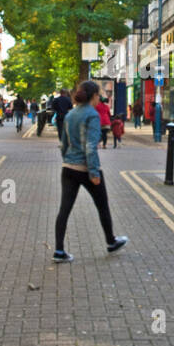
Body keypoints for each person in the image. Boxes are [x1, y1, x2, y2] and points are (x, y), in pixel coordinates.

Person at [53, 80, 128, 263]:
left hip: (68, 168)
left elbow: (64, 143)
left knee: (64, 209)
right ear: (93, 96)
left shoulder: (71, 114)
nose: (99, 98)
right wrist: (93, 173)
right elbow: (90, 147)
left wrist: (67, 160)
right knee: (102, 205)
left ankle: (59, 250)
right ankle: (110, 241)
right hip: (86, 168)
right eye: (98, 95)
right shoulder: (92, 115)